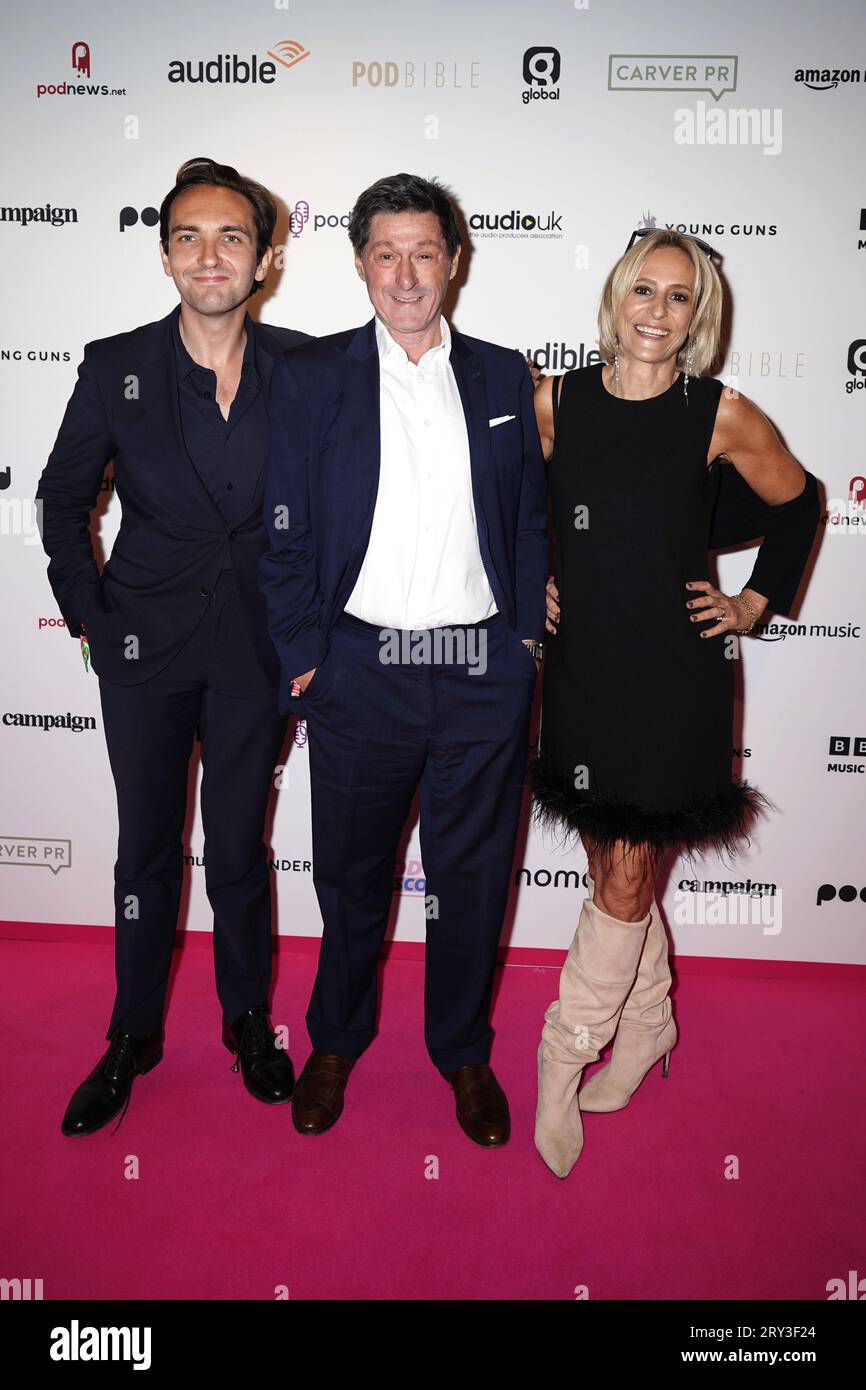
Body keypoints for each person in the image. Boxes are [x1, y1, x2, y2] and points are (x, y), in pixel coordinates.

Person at [259, 173, 548, 1146]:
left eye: (425, 251)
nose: (406, 272)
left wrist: (521, 644)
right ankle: (334, 1041)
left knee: (471, 880)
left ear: (453, 261)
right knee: (349, 877)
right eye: (385, 253)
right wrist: (307, 658)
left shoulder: (504, 375)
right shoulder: (309, 376)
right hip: (358, 675)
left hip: (481, 678)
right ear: (357, 265)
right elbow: (282, 528)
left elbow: (528, 518)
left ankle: (461, 1050)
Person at [530, 228, 819, 1179]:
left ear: (701, 317)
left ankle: (562, 1056)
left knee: (621, 875)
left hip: (671, 676)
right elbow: (515, 504)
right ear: (615, 296)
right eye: (643, 291)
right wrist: (532, 574)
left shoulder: (719, 413)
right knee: (617, 868)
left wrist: (753, 602)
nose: (656, 311)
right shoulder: (556, 401)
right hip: (581, 668)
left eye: (679, 298)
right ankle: (649, 1025)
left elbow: (799, 503)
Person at [36, 157, 307, 1136]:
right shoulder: (116, 366)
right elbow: (63, 502)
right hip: (142, 652)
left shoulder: (307, 371)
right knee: (145, 849)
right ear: (163, 255)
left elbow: (335, 511)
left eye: (230, 236)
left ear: (265, 259)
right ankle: (130, 1035)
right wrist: (93, 623)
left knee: (238, 847)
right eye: (188, 236)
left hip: (258, 657)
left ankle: (246, 1021)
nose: (209, 254)